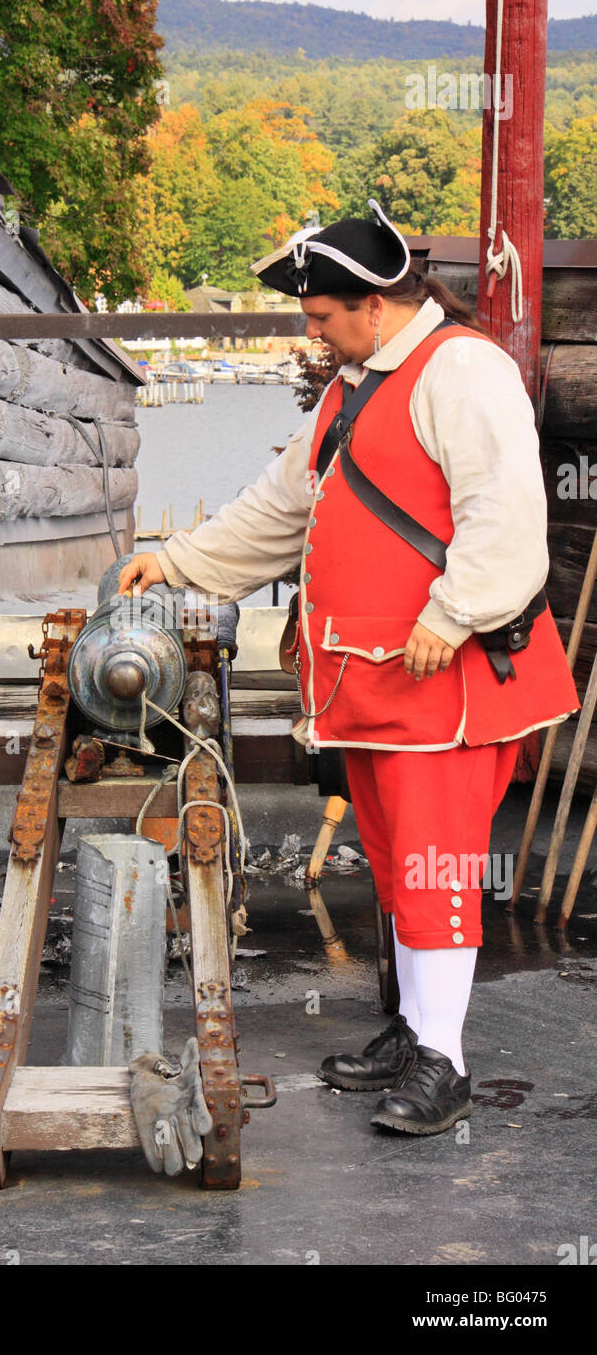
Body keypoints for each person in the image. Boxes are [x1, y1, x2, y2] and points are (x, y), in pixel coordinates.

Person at [118, 201, 579, 1137]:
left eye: (323, 315)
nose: (312, 331)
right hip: (371, 679)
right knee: (400, 862)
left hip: (444, 673)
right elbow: (279, 511)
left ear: (375, 303)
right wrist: (177, 560)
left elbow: (506, 513)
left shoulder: (464, 372)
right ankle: (413, 1030)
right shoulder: (353, 385)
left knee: (438, 865)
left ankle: (445, 1063)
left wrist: (453, 614)